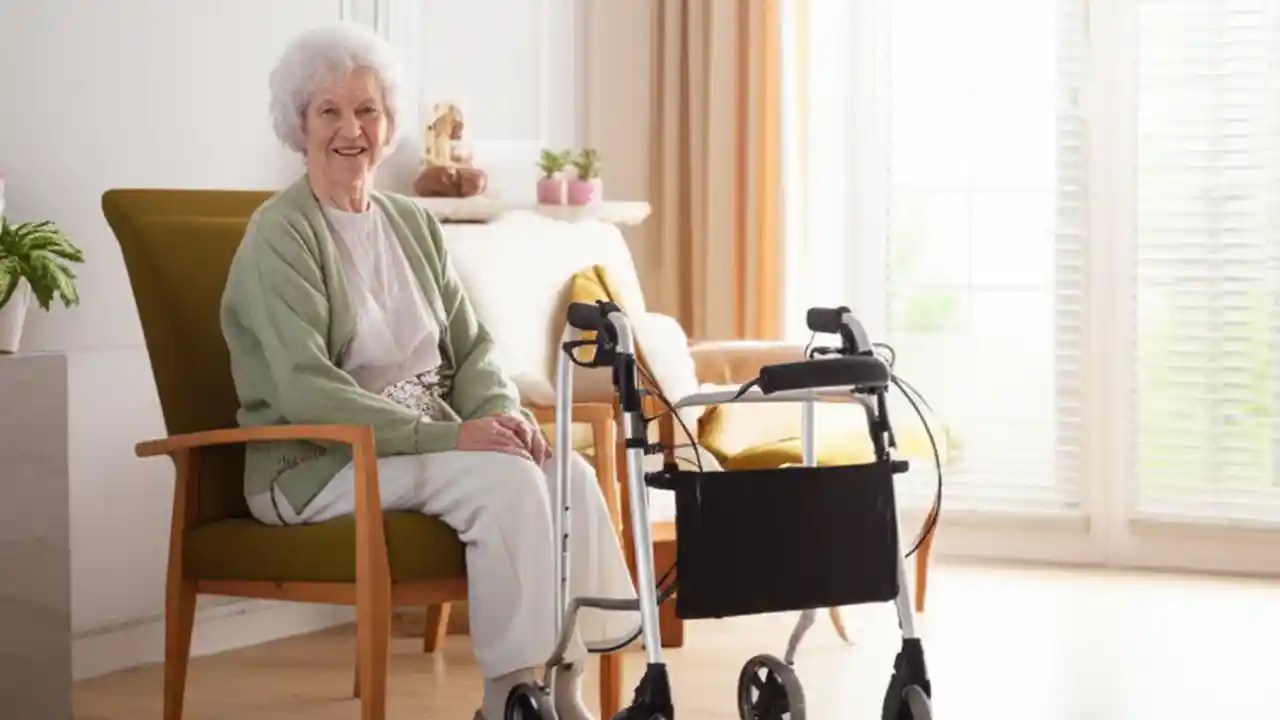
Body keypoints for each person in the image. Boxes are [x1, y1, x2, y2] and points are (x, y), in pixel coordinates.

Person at [219, 22, 639, 720]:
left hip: (416, 446)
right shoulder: (280, 235)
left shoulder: (411, 223)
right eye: (330, 111)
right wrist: (454, 437)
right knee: (504, 479)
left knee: (566, 471)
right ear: (299, 125)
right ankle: (511, 697)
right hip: (317, 461)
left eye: (367, 111)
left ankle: (568, 691)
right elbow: (303, 387)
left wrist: (499, 416)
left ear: (388, 126)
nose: (350, 129)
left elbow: (471, 348)